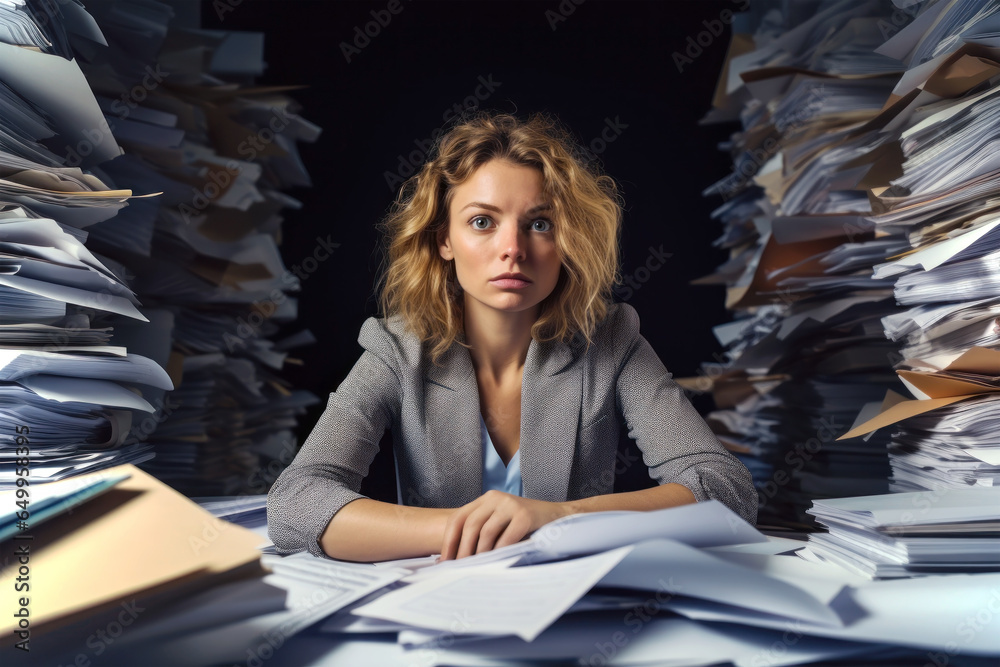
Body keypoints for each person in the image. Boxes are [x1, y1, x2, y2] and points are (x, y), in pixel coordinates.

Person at [267, 111, 756, 563]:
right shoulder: (397, 349)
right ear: (444, 240)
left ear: (565, 240)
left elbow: (724, 489)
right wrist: (469, 532)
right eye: (483, 222)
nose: (513, 250)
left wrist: (557, 518)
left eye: (539, 224)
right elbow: (295, 503)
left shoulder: (610, 339)